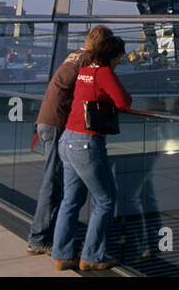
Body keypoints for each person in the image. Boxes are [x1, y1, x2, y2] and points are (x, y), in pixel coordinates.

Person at [26, 26, 114, 255]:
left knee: (60, 184)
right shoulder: (88, 61)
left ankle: (55, 238)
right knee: (53, 182)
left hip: (47, 120)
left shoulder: (74, 54)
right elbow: (92, 90)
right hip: (57, 124)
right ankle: (39, 237)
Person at [52, 32, 133, 272]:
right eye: (120, 56)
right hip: (86, 144)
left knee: (71, 201)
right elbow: (124, 102)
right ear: (112, 55)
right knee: (105, 200)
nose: (121, 60)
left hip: (67, 140)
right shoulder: (104, 73)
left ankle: (62, 255)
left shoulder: (85, 72)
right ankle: (91, 256)